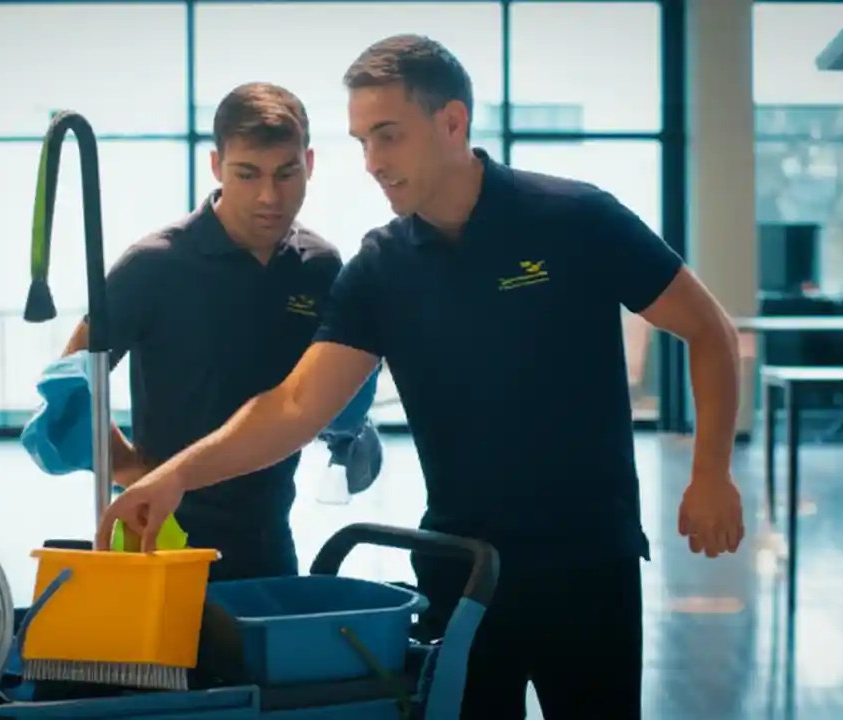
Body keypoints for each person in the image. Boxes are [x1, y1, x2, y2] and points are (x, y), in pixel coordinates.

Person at [96, 34, 745, 719]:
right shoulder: (380, 270)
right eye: (362, 142)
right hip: (459, 573)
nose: (373, 162)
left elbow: (708, 330)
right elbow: (292, 405)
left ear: (453, 122)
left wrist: (710, 470)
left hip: (587, 567)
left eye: (388, 136)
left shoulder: (576, 219)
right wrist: (174, 474)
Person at [55, 81, 379, 581]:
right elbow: (70, 390)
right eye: (247, 174)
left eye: (286, 173)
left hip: (269, 537)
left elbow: (321, 391)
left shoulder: (319, 266)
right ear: (216, 166)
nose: (269, 196)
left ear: (309, 164)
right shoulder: (155, 264)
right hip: (161, 537)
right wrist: (134, 473)